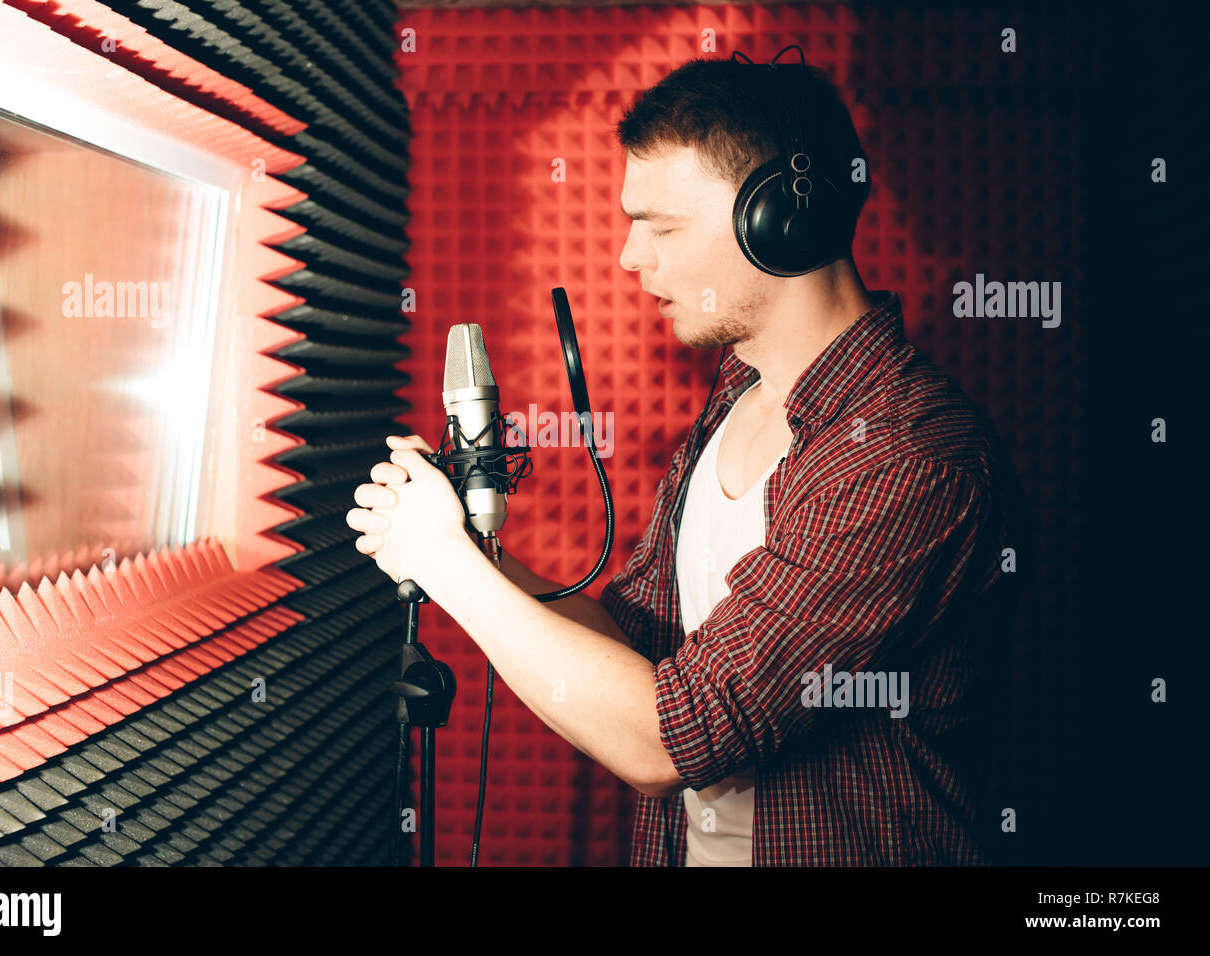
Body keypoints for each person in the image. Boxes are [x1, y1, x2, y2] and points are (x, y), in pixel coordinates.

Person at [347, 56, 1021, 866]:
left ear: (781, 222)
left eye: (663, 227)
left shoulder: (910, 457)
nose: (631, 258)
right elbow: (635, 645)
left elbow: (670, 740)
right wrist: (473, 546)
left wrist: (446, 565)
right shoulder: (738, 395)